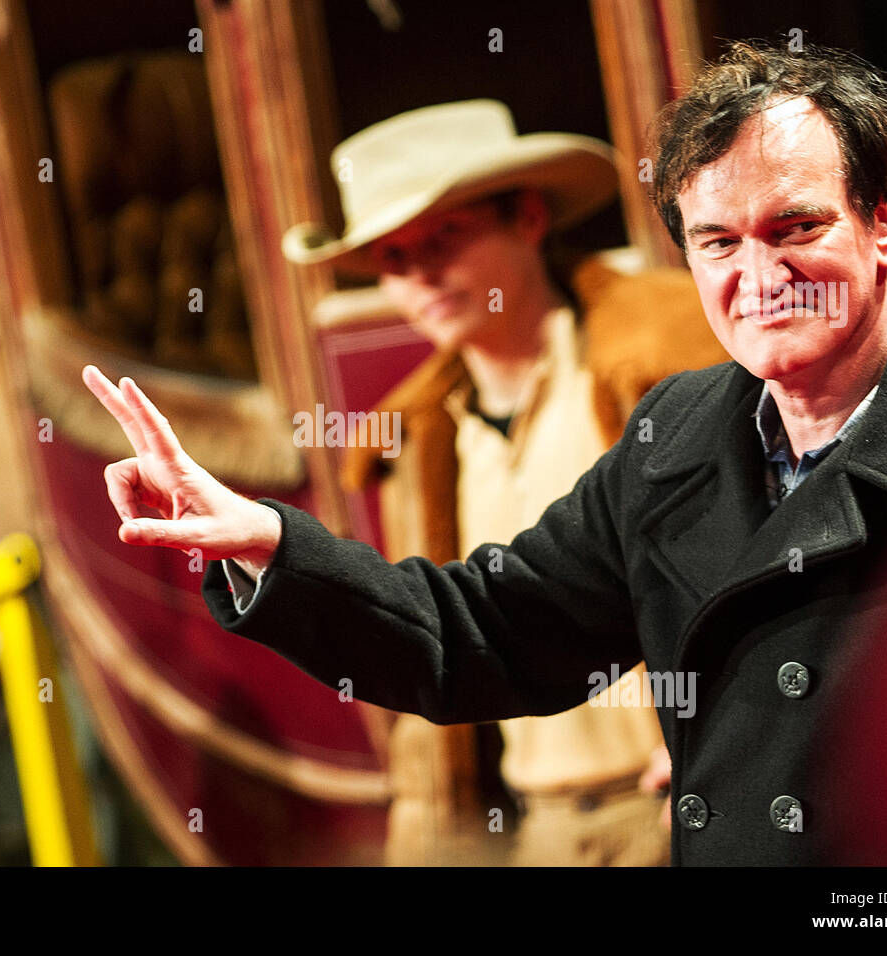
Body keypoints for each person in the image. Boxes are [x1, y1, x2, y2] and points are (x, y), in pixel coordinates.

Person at [82, 42, 887, 865]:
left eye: (797, 229)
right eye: (718, 242)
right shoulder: (675, 433)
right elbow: (484, 630)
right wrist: (267, 545)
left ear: (884, 225)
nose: (758, 279)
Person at [279, 99, 726, 866]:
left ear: (525, 217)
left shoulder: (650, 369)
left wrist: (727, 750)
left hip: (686, 800)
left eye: (445, 236)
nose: (421, 275)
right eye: (392, 258)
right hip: (540, 823)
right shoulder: (419, 442)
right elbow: (442, 649)